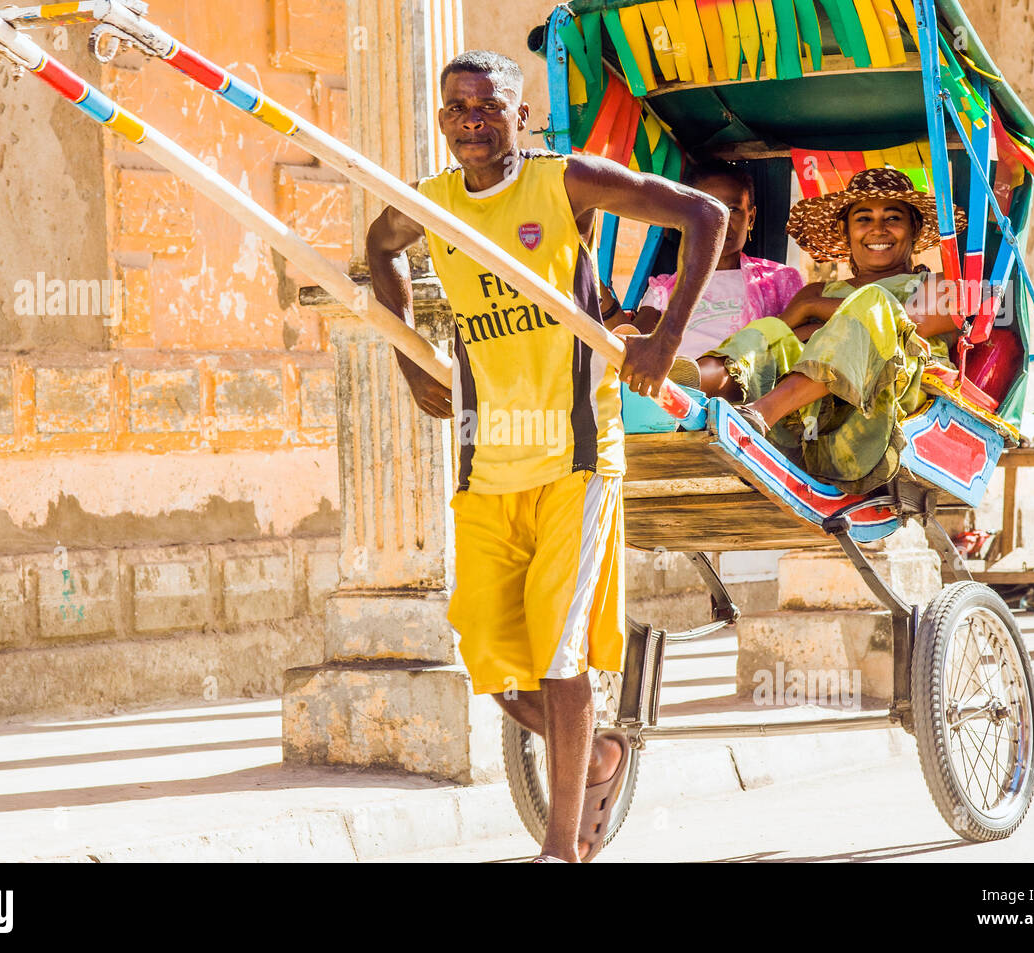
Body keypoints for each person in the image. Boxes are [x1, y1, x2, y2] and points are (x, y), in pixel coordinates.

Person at [365, 50, 727, 862]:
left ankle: (560, 848)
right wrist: (411, 354)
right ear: (443, 121)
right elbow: (377, 249)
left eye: (488, 107)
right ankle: (597, 752)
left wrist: (666, 339)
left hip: (574, 454)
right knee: (489, 659)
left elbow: (705, 214)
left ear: (518, 115)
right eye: (458, 109)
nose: (472, 122)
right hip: (484, 460)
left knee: (559, 651)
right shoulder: (430, 204)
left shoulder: (562, 182)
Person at [695, 167, 966, 494]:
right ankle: (685, 384)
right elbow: (782, 340)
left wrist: (815, 315)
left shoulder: (938, 286)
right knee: (767, 328)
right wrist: (814, 316)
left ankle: (760, 414)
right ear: (846, 230)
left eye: (892, 218)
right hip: (810, 422)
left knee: (875, 303)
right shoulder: (814, 292)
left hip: (880, 408)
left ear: (914, 228)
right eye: (863, 219)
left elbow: (901, 324)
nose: (877, 230)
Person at [631, 161, 804, 365]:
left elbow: (799, 345)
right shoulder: (663, 289)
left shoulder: (779, 280)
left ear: (751, 218)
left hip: (748, 389)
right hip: (674, 389)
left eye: (733, 209)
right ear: (686, 218)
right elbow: (635, 342)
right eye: (707, 208)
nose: (721, 220)